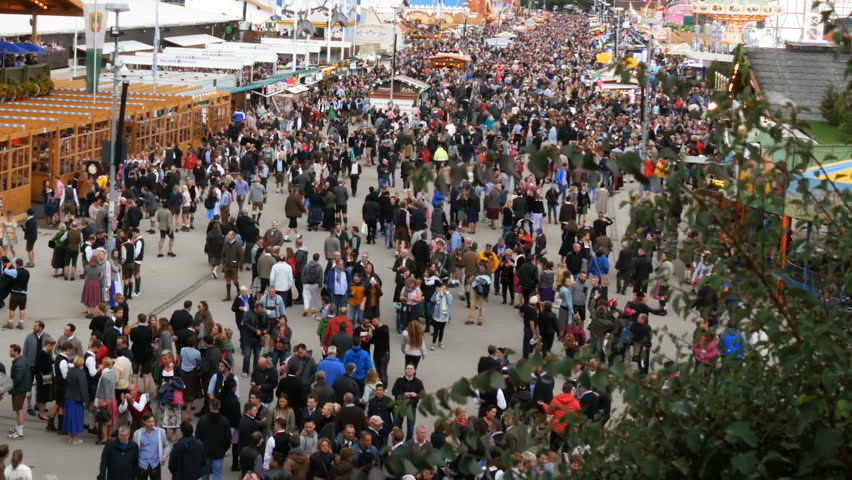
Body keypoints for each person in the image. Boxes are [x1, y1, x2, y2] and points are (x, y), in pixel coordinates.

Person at [133, 412, 172, 479]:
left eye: (153, 421)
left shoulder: (161, 432)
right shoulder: (137, 433)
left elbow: (167, 445)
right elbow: (133, 448)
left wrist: (165, 455)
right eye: (149, 422)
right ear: (144, 422)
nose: (152, 424)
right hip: (142, 464)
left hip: (155, 464)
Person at [391, 364, 424, 441]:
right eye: (408, 368)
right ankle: (397, 443)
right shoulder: (399, 380)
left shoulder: (418, 382)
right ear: (405, 370)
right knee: (398, 426)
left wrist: (416, 394)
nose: (409, 370)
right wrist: (403, 394)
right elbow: (394, 392)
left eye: (411, 369)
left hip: (411, 406)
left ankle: (408, 444)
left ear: (414, 371)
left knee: (410, 427)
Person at [7, 344, 31, 440]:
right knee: (18, 409)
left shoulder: (18, 364)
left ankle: (19, 433)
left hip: (19, 390)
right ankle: (17, 428)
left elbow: (18, 379)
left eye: (11, 351)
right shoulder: (21, 360)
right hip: (22, 389)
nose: (9, 352)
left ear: (16, 352)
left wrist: (8, 384)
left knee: (19, 410)